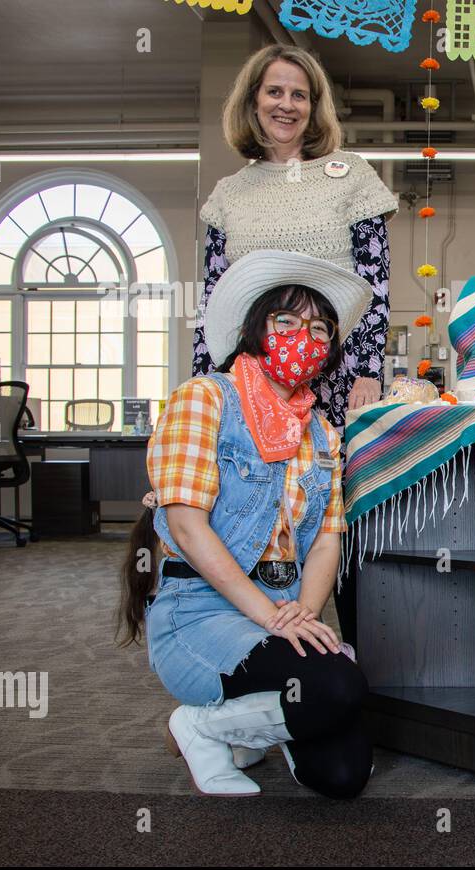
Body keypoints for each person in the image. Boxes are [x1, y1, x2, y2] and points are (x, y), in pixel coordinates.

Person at [118, 249, 375, 799]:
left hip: (282, 603)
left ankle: (252, 720)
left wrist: (302, 613)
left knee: (344, 778)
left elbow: (328, 538)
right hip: (201, 613)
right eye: (287, 321)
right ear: (256, 329)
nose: (304, 336)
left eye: (320, 328)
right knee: (335, 688)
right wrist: (274, 620)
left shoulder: (323, 434)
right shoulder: (203, 399)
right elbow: (187, 527)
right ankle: (198, 726)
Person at [191, 43, 399, 641]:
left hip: (332, 377)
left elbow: (375, 282)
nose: (287, 105)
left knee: (337, 519)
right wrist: (207, 385)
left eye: (300, 95)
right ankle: (255, 652)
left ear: (315, 107)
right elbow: (213, 298)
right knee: (250, 513)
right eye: (274, 92)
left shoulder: (352, 174)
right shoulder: (230, 192)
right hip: (251, 379)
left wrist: (364, 371)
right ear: (253, 101)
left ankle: (350, 656)